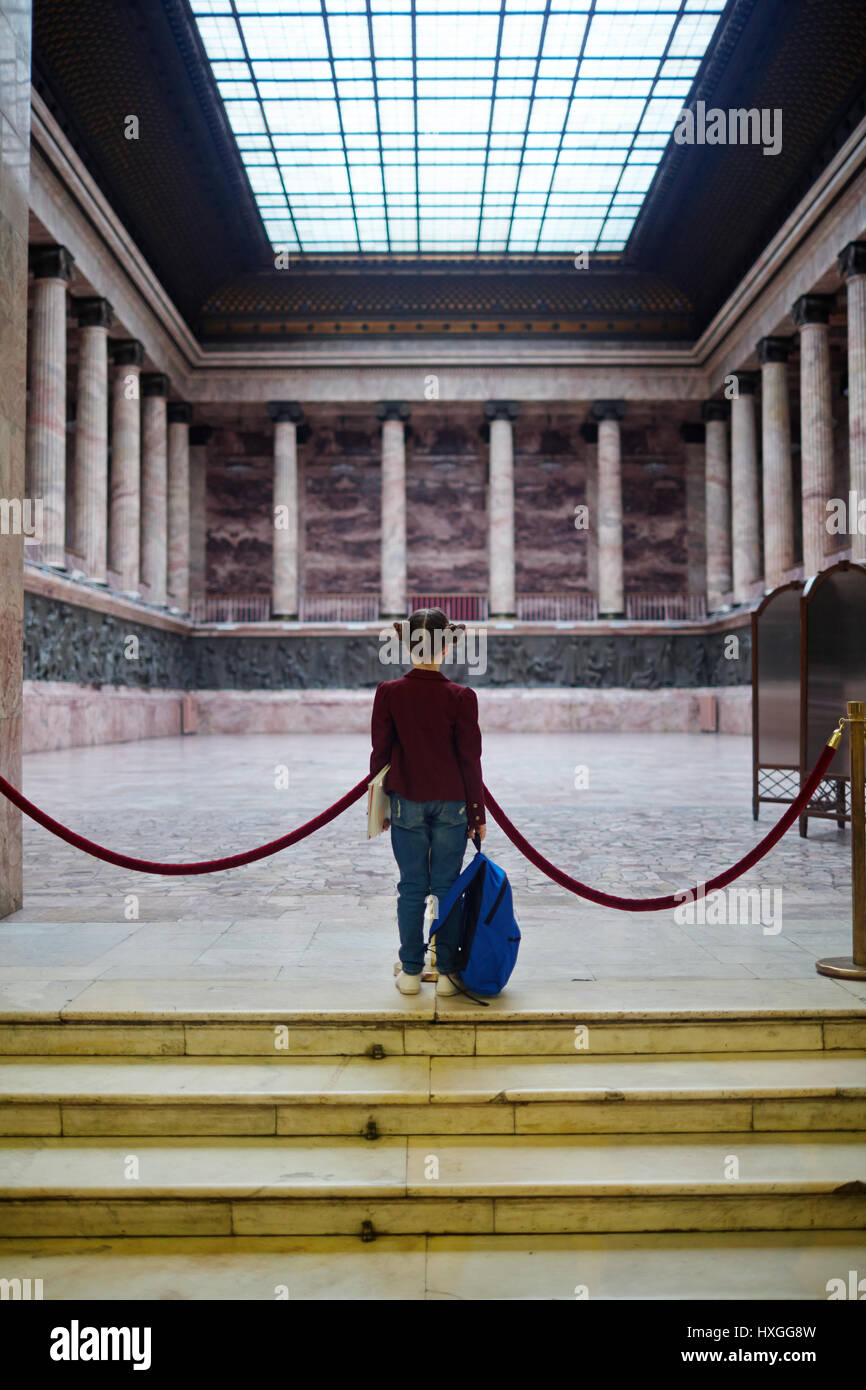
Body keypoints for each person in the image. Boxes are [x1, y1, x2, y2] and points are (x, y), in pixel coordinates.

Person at [369, 608, 486, 995]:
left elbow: (380, 754)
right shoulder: (462, 697)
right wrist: (477, 812)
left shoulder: (389, 693)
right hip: (452, 803)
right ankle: (450, 971)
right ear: (448, 646)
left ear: (407, 645)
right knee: (447, 886)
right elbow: (470, 760)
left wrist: (379, 807)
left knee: (412, 887)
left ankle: (411, 970)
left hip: (406, 801)